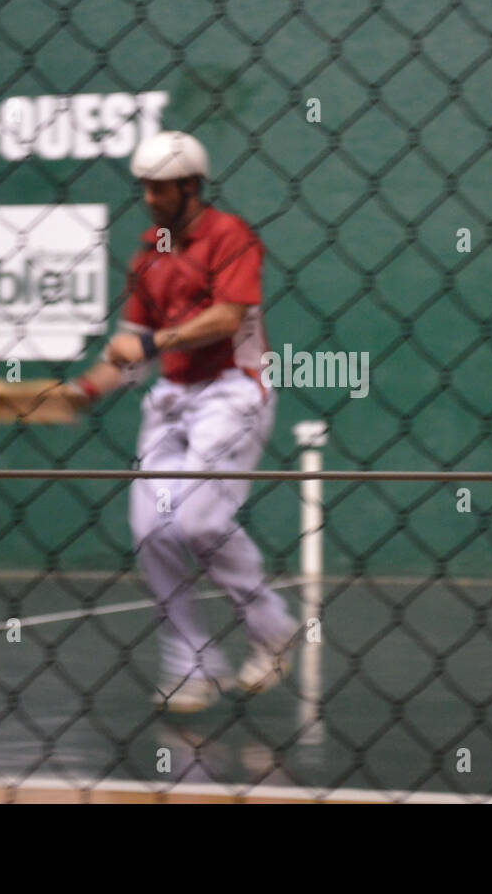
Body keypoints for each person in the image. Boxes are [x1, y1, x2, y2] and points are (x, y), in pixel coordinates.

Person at [66, 130, 298, 712]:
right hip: (172, 396)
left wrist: (155, 340)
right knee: (151, 529)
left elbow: (226, 316)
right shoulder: (148, 254)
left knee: (196, 522)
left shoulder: (231, 237)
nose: (148, 197)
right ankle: (191, 663)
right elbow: (128, 342)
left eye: (160, 187)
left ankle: (271, 627)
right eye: (144, 186)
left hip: (233, 392)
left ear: (191, 185)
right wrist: (88, 388)